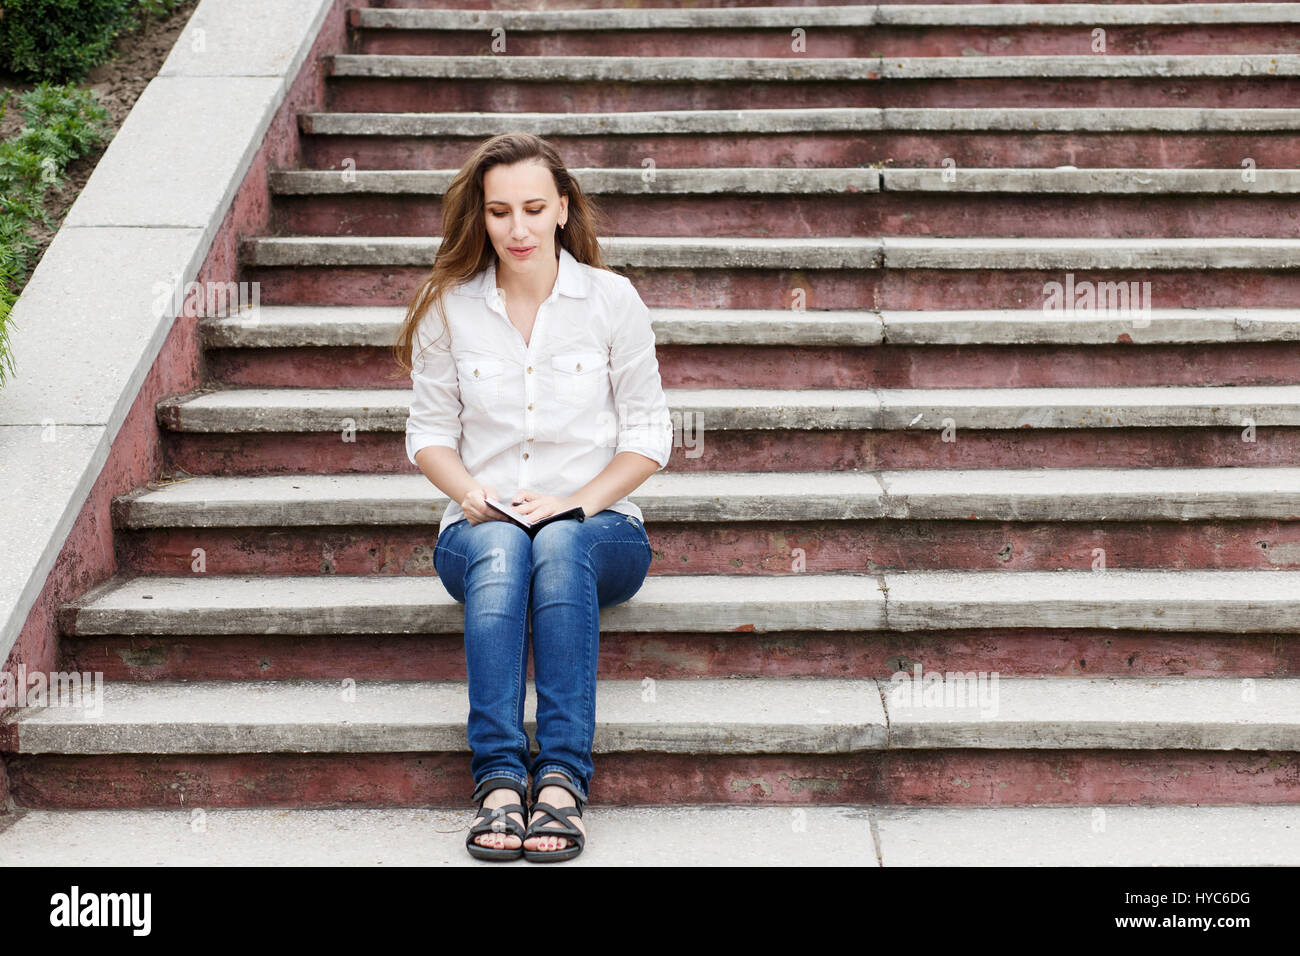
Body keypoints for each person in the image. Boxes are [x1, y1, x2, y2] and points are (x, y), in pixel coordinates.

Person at [395, 133, 674, 862]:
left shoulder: (611, 301)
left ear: (562, 209)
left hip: (602, 531)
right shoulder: (449, 308)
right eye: (497, 212)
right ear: (479, 218)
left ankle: (559, 782)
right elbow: (427, 433)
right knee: (500, 543)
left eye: (531, 208)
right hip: (480, 531)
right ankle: (496, 780)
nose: (515, 229)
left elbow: (649, 435)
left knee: (555, 539)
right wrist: (470, 492)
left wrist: (575, 504)